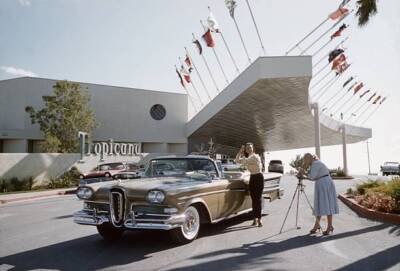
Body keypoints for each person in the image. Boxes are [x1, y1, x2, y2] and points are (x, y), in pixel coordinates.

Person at [299, 153, 339, 235]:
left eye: (306, 161)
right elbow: (313, 177)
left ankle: (329, 226)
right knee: (319, 205)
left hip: (324, 184)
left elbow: (311, 177)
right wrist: (305, 173)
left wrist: (303, 174)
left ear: (309, 159)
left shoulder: (315, 164)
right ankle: (317, 226)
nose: (306, 163)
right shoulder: (316, 163)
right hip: (322, 183)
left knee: (327, 205)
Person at [235, 143, 264, 227]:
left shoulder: (255, 157)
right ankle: (255, 219)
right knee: (253, 199)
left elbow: (244, 161)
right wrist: (240, 152)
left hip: (258, 177)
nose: (249, 149)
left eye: (250, 148)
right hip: (253, 178)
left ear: (253, 149)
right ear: (246, 149)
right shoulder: (248, 158)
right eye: (248, 148)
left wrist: (242, 153)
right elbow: (237, 160)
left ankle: (259, 220)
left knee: (257, 199)